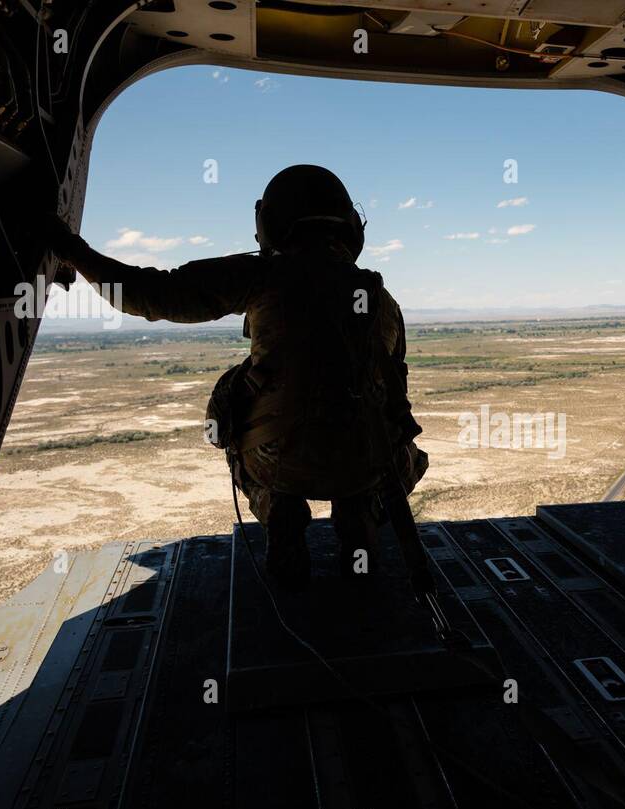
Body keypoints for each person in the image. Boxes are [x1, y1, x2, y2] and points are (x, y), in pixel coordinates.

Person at [45, 164, 427, 589]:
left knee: (231, 396)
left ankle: (280, 512)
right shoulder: (381, 297)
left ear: (270, 224)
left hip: (280, 460)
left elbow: (144, 294)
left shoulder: (263, 276)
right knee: (381, 438)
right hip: (369, 466)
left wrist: (70, 248)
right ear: (351, 228)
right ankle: (361, 522)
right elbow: (397, 402)